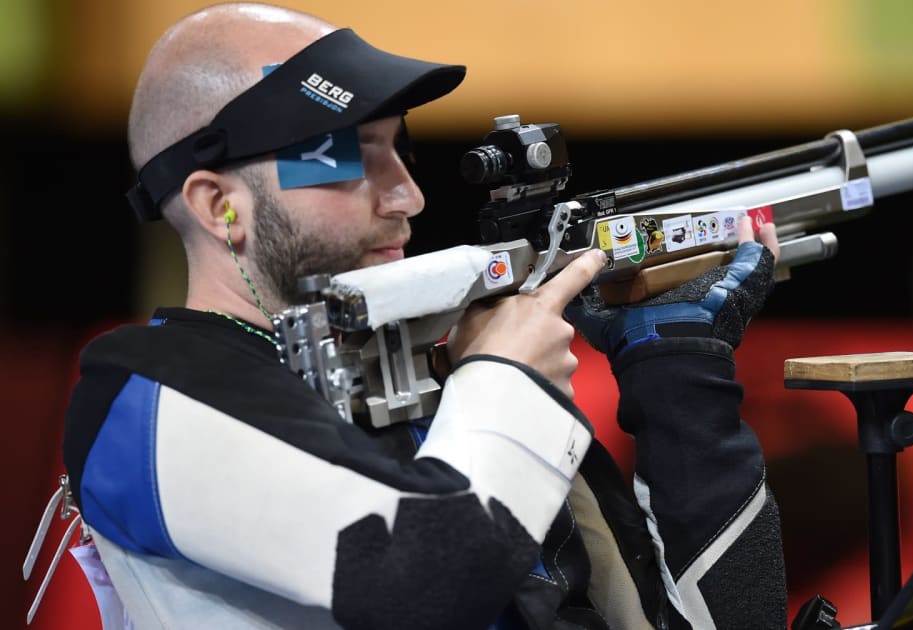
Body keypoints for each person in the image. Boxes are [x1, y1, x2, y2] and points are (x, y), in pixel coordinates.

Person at [61, 2, 788, 628]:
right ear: (219, 207)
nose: (408, 195)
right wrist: (506, 378)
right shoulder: (146, 396)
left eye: (397, 149)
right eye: (347, 156)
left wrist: (677, 370)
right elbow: (428, 583)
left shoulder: (430, 385)